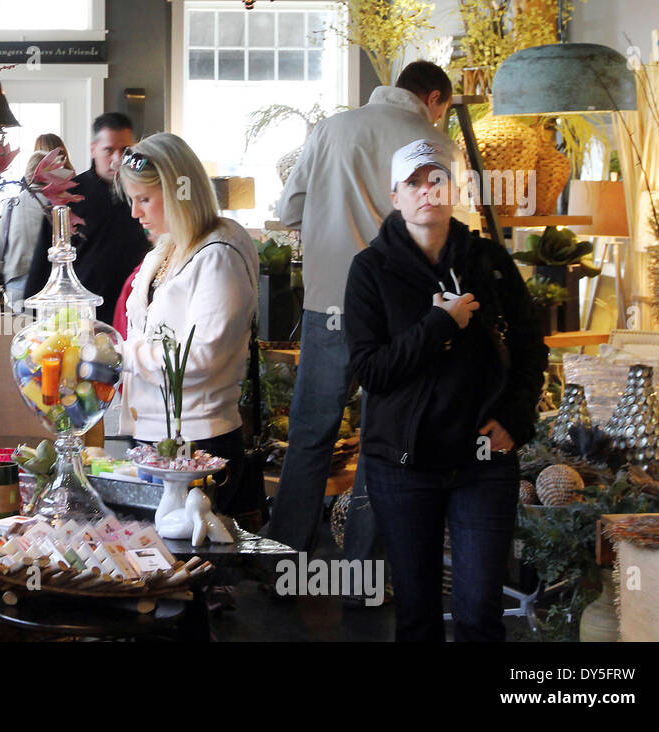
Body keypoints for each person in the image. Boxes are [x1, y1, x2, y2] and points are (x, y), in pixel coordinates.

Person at [345, 139, 547, 641]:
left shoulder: (490, 264)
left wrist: (517, 421)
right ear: (395, 196)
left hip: (482, 462)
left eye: (436, 179)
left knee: (480, 613)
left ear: (453, 189)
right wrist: (439, 324)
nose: (426, 191)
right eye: (413, 182)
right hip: (403, 464)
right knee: (417, 616)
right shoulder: (370, 271)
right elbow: (372, 370)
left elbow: (530, 348)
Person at [263, 61, 461, 567]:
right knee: (383, 443)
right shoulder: (432, 143)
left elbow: (289, 210)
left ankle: (284, 560)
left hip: (329, 304)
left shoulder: (332, 129)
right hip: (400, 317)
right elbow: (443, 232)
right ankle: (364, 574)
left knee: (310, 434)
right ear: (434, 99)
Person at [117, 132, 263, 525]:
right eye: (132, 200)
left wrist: (119, 353)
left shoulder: (218, 258)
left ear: (179, 191)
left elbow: (198, 359)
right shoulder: (167, 249)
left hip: (197, 441)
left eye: (144, 199)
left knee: (187, 559)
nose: (135, 213)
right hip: (159, 435)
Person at [24, 113, 151, 322]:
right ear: (94, 149)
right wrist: (29, 320)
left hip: (136, 312)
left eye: (125, 151)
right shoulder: (68, 196)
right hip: (82, 316)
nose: (117, 159)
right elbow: (42, 262)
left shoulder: (145, 196)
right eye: (109, 150)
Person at [0, 134, 75, 309]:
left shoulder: (12, 204)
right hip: (52, 283)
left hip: (16, 281)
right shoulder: (61, 206)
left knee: (19, 331)